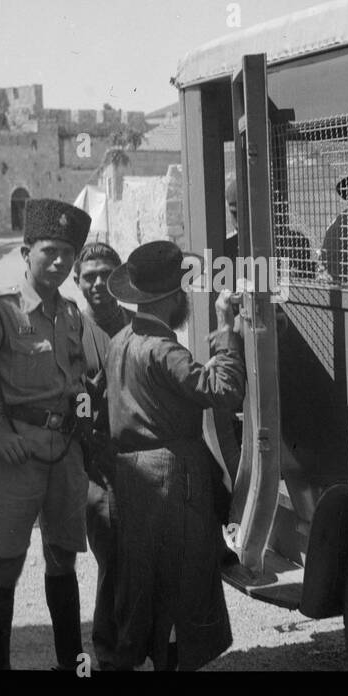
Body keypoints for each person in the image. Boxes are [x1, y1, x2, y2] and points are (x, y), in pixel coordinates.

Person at [0, 199, 93, 671]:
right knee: (8, 562)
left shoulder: (71, 315)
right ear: (26, 252)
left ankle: (70, 664)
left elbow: (79, 383)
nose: (61, 262)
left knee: (63, 559)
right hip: (16, 453)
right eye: (50, 251)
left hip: (65, 453)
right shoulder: (1, 312)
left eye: (69, 253)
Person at [105, 241, 246, 671]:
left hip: (132, 479)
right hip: (171, 483)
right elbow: (224, 392)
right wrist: (226, 332)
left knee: (147, 580)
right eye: (182, 291)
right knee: (180, 583)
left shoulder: (121, 341)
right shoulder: (165, 351)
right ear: (169, 299)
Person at [72, 241, 134, 671]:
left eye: (105, 274)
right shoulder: (70, 333)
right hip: (96, 466)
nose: (97, 283)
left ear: (121, 277)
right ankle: (110, 653)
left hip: (143, 459)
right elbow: (72, 403)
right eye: (88, 275)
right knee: (111, 555)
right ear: (77, 281)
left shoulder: (139, 326)